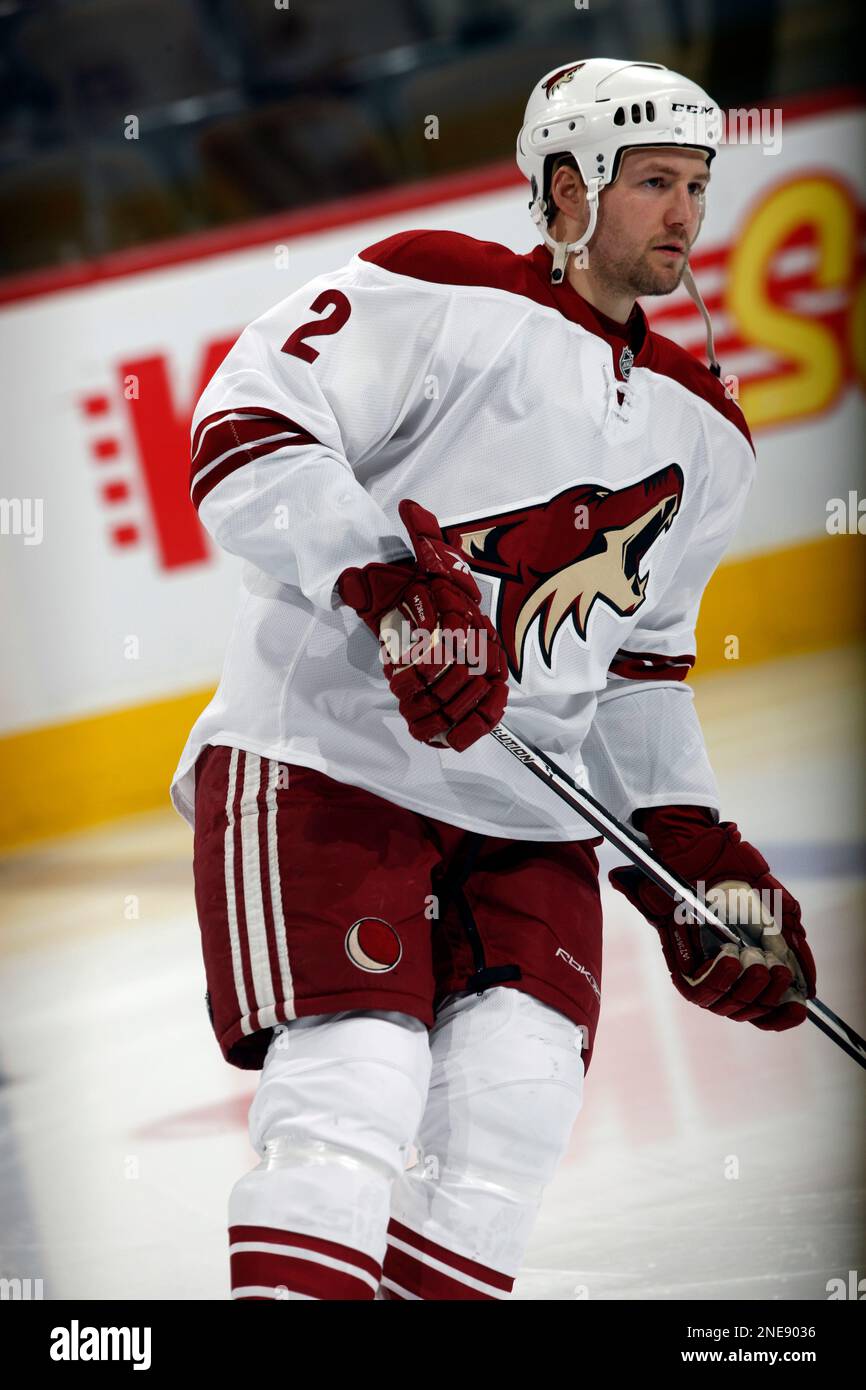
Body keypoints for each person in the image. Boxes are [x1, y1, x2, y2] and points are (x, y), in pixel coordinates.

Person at [170, 57, 816, 1301]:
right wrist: (390, 589)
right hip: (328, 759)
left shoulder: (708, 430)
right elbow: (242, 429)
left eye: (696, 183)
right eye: (651, 184)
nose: (683, 214)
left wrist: (693, 858)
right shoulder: (432, 286)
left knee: (509, 1122)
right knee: (352, 1081)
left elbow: (636, 672)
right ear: (564, 186)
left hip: (527, 813)